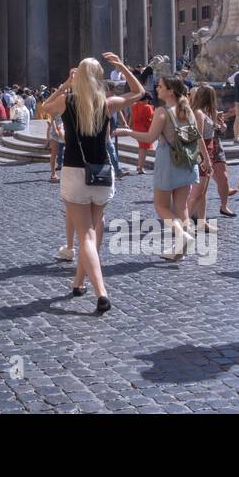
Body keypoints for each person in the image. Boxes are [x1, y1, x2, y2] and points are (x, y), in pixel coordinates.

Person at [42, 53, 144, 311]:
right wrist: (121, 67)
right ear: (99, 78)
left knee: (86, 235)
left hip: (75, 173)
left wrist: (66, 83)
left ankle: (101, 293)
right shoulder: (107, 103)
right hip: (101, 173)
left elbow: (44, 107)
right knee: (94, 230)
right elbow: (139, 92)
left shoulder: (66, 101)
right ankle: (78, 282)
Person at [116, 77, 209, 261]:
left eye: (160, 86)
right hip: (187, 162)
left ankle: (182, 237)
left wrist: (128, 132)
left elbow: (150, 137)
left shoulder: (162, 111)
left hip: (168, 162)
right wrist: (205, 159)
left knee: (161, 206)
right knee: (181, 206)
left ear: (171, 91)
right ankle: (180, 246)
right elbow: (195, 138)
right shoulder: (187, 110)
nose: (156, 88)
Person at [188, 84, 232, 226]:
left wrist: (219, 125)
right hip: (203, 152)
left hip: (208, 150)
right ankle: (182, 223)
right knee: (197, 193)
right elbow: (198, 136)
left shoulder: (204, 112)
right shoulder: (199, 113)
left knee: (202, 192)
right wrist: (206, 158)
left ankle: (202, 222)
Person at [129, 94, 154, 175]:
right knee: (143, 149)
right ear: (146, 99)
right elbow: (151, 119)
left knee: (141, 148)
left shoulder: (134, 105)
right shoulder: (147, 107)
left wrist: (129, 126)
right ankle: (140, 167)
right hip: (145, 129)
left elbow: (132, 117)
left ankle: (139, 166)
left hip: (137, 128)